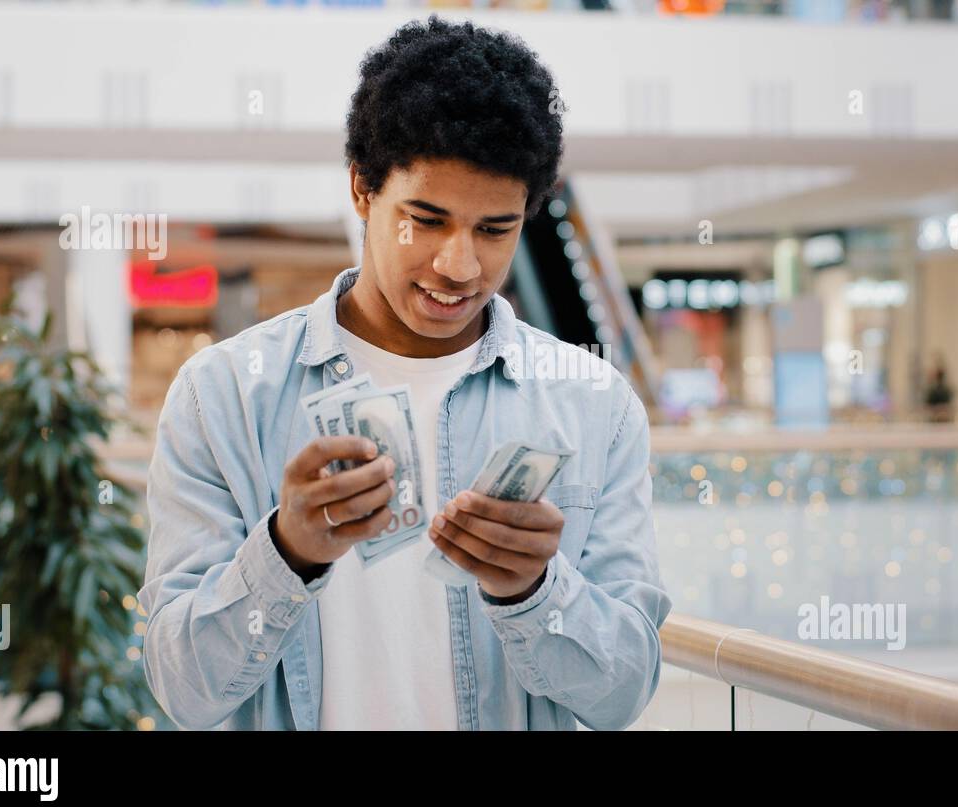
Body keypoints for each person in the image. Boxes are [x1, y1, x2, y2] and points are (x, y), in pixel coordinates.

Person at [138, 16, 671, 731]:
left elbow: (624, 693)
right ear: (362, 189)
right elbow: (182, 688)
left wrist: (536, 592)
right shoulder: (223, 395)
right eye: (424, 219)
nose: (460, 266)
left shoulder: (594, 405)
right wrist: (286, 552)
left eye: (494, 229)